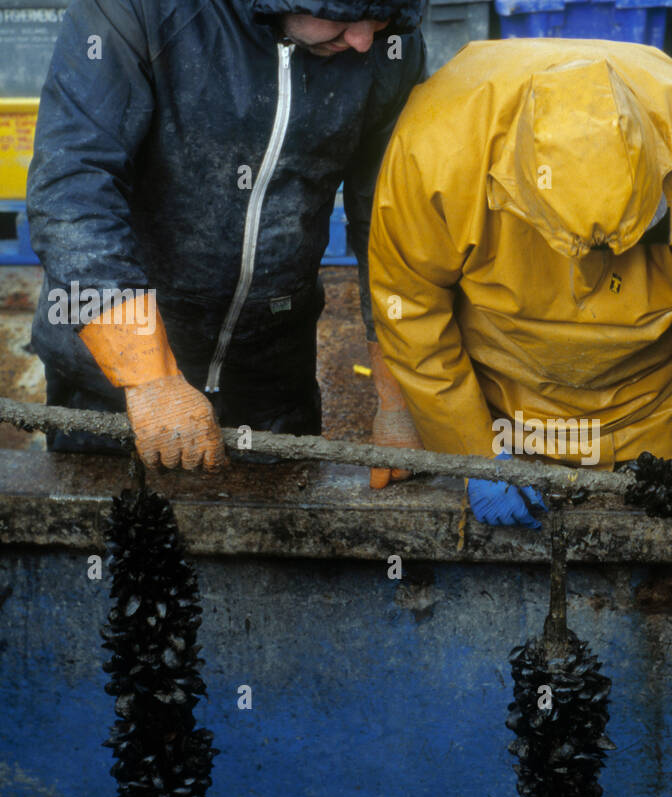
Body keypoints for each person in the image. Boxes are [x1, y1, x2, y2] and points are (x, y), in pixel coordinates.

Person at [368, 38, 672, 647]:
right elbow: (410, 313)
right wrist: (470, 453)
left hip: (647, 407)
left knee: (641, 599)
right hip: (502, 408)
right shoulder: (434, 148)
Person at [26, 0, 425, 481]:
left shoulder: (390, 41)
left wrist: (400, 397)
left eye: (380, 21)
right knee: (122, 544)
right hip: (112, 382)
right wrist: (149, 379)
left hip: (272, 375)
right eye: (342, 17)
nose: (363, 40)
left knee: (273, 548)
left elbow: (391, 216)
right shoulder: (136, 12)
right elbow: (72, 189)